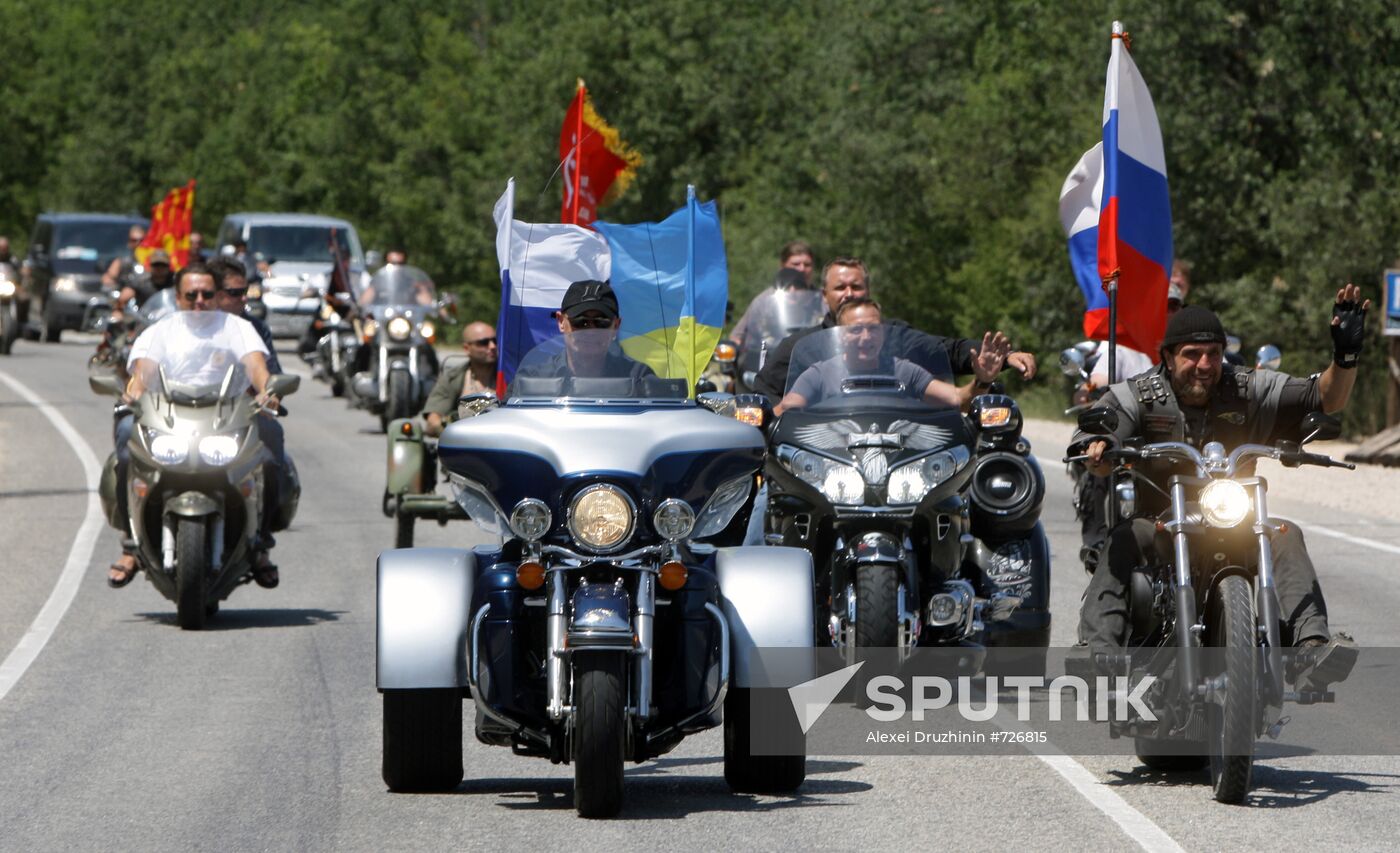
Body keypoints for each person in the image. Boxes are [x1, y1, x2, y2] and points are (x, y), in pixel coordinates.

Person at [1072, 287, 1370, 691]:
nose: (1204, 364)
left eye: (1213, 353)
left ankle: (1309, 649)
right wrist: (1100, 448)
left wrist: (1346, 356)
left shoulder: (1248, 387)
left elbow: (1326, 398)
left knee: (1285, 535)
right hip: (1161, 523)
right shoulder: (1140, 395)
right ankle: (1098, 652)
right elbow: (1098, 431)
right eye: (1192, 354)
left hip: (1237, 517)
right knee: (1125, 537)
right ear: (1168, 356)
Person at [107, 262, 281, 588]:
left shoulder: (237, 329)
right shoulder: (160, 331)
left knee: (270, 460)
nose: (199, 301)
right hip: (168, 418)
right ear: (178, 297)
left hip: (228, 417)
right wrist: (131, 396)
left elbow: (257, 367)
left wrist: (268, 391)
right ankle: (130, 542)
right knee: (126, 446)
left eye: (207, 294)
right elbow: (142, 373)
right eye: (191, 295)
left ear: (216, 296)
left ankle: (261, 546)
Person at [751, 256, 1038, 398]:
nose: (849, 293)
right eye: (840, 288)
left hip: (895, 453)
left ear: (868, 291)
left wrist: (1003, 360)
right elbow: (768, 399)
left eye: (856, 286)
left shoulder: (898, 342)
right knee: (767, 497)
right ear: (824, 296)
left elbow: (949, 351)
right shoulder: (801, 350)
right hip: (819, 458)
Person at [776, 298, 1008, 414]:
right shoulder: (819, 374)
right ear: (841, 337)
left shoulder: (903, 370)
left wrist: (982, 380)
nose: (866, 337)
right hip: (835, 468)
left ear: (883, 333)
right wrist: (767, 416)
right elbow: (788, 408)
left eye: (873, 329)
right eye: (856, 330)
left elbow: (958, 400)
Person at [511, 280, 657, 392]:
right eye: (580, 322)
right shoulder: (531, 379)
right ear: (561, 322)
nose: (591, 330)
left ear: (616, 326)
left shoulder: (639, 379)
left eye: (601, 322)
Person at [421, 321, 497, 437]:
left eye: (495, 341)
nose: (492, 346)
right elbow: (433, 422)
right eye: (483, 343)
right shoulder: (453, 377)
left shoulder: (510, 376)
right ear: (467, 348)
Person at [111, 248, 176, 318]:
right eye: (156, 265)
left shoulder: (175, 282)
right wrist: (118, 311)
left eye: (163, 265)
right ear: (151, 266)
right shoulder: (142, 282)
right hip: (145, 320)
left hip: (169, 319)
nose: (159, 269)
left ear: (168, 267)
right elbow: (124, 298)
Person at [102, 225, 146, 292]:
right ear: (129, 242)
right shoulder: (121, 261)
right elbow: (108, 277)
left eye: (141, 240)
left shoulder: (152, 260)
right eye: (134, 240)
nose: (138, 243)